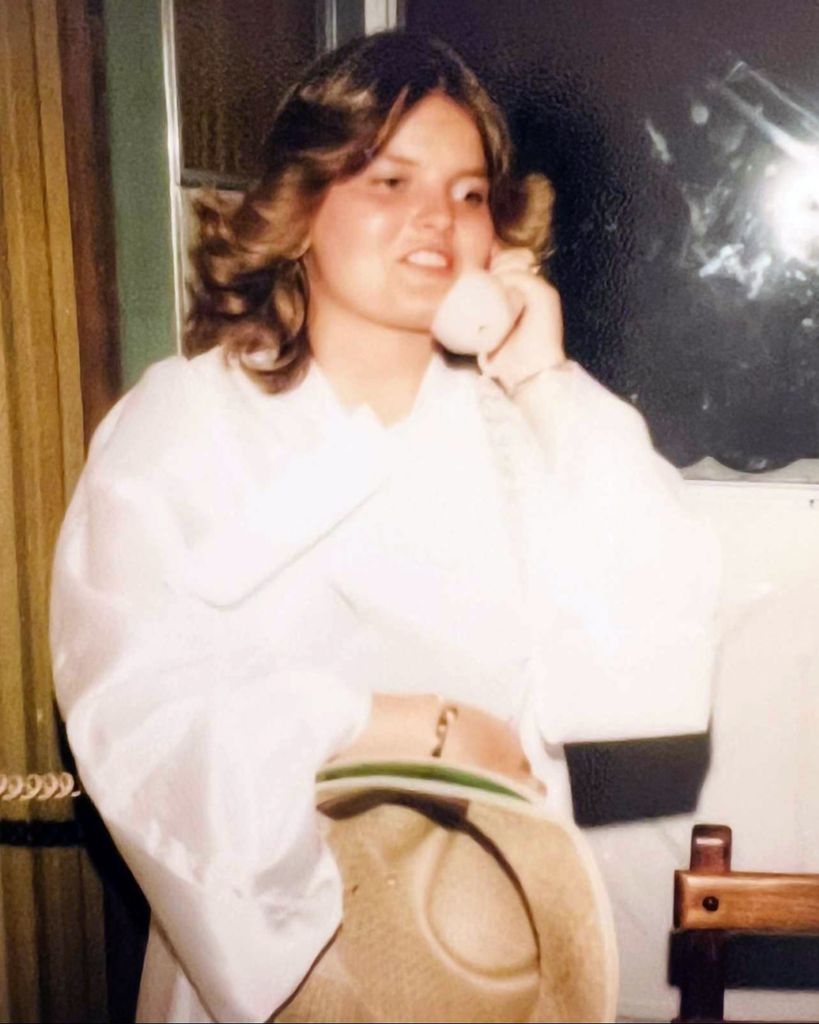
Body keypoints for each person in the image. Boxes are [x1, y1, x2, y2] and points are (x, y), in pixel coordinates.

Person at [50, 30, 719, 1024]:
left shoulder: (522, 432)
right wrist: (407, 726)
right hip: (274, 961)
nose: (437, 219)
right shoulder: (187, 423)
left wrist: (541, 375)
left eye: (468, 194)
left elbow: (653, 648)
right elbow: (136, 713)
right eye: (390, 180)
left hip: (486, 953)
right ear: (299, 206)